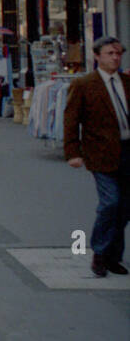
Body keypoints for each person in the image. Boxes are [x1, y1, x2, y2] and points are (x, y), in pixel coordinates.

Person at [63, 35, 130, 277]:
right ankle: (99, 254)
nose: (115, 58)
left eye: (118, 53)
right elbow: (71, 120)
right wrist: (72, 152)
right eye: (110, 54)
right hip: (100, 153)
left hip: (127, 150)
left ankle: (113, 256)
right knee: (110, 202)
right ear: (97, 56)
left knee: (124, 207)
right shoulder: (84, 85)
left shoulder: (126, 81)